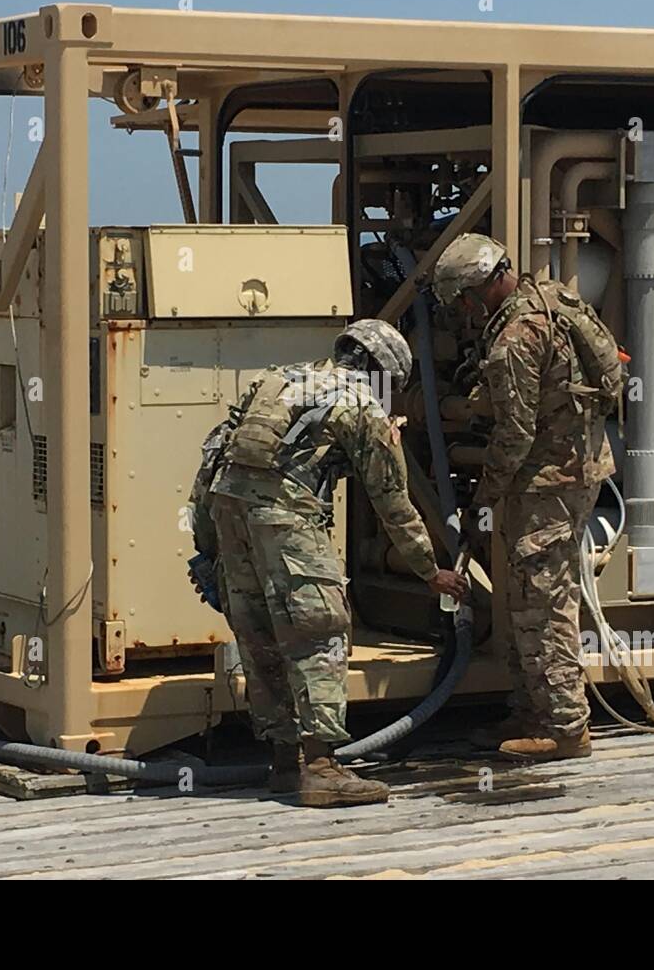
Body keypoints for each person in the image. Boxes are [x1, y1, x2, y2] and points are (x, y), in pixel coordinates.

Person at [189, 319, 468, 807]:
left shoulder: (276, 380)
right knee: (321, 630)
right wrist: (430, 570)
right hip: (287, 518)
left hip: (228, 510)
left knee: (260, 637)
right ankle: (320, 767)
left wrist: (207, 548)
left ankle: (283, 763)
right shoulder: (360, 404)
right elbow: (392, 501)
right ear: (383, 373)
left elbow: (212, 458)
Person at [432, 234, 620, 762]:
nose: (464, 313)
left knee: (544, 600)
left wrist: (483, 502)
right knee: (525, 593)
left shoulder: (515, 338)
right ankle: (531, 710)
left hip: (546, 483)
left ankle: (565, 726)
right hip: (571, 472)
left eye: (463, 302)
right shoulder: (552, 300)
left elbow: (513, 436)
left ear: (476, 291)